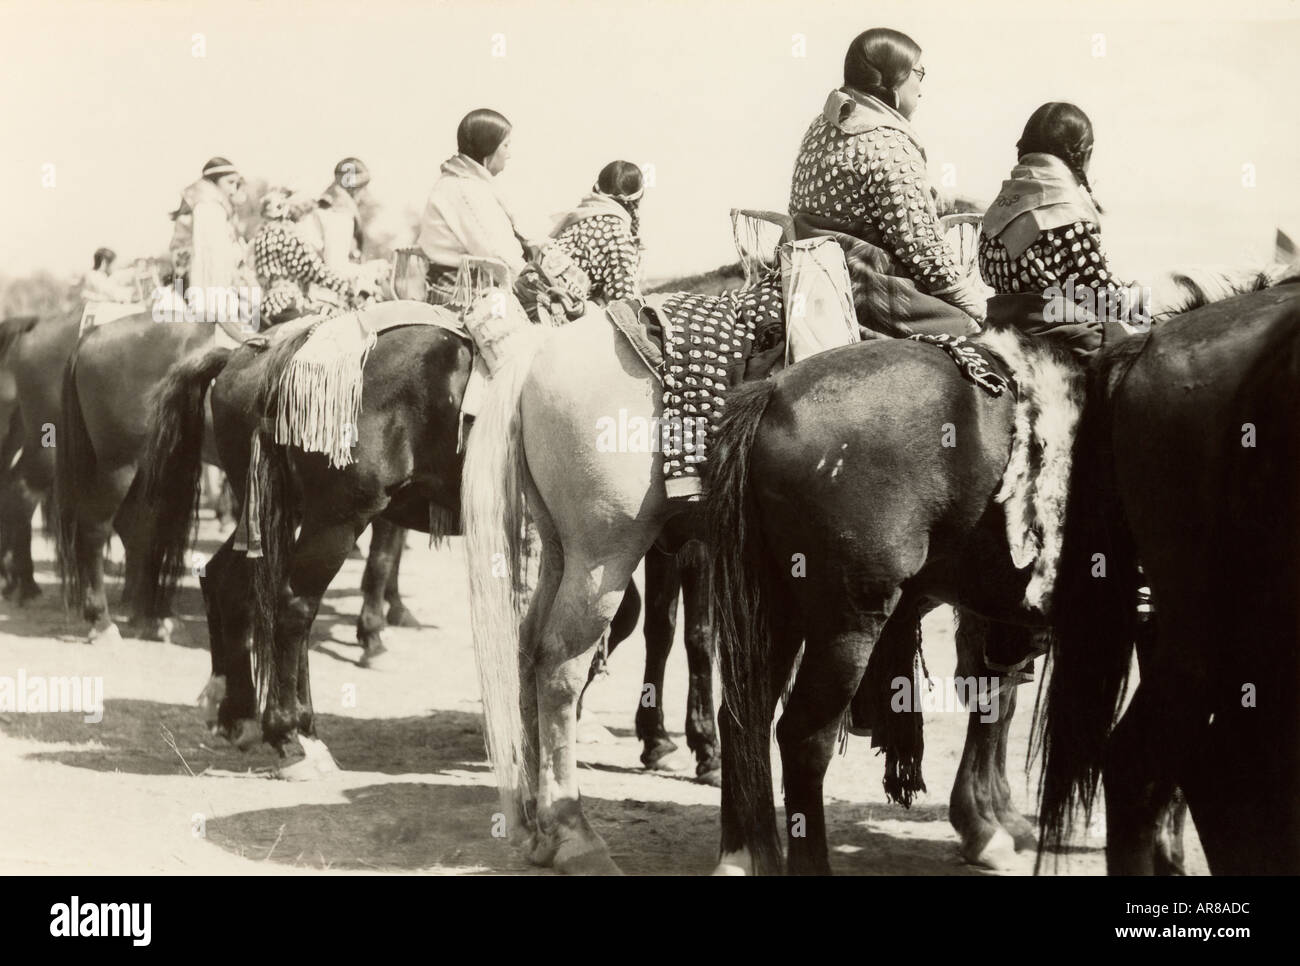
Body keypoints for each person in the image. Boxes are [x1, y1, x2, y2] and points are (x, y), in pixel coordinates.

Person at [788, 28, 986, 334]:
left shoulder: (825, 124)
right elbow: (921, 247)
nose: (921, 87)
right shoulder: (889, 143)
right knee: (974, 334)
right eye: (918, 73)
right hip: (864, 284)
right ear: (894, 76)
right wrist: (973, 303)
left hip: (812, 276)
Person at [979, 102, 1145, 360]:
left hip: (1000, 328)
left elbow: (989, 278)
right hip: (1059, 335)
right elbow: (1100, 296)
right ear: (1084, 154)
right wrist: (1140, 299)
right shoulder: (1065, 212)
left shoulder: (997, 210)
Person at [417, 109, 541, 306]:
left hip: (471, 285)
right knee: (524, 332)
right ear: (488, 148)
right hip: (463, 294)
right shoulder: (465, 188)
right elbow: (496, 253)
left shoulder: (465, 183)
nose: (509, 154)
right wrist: (537, 282)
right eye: (505, 145)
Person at [252, 188, 355, 328]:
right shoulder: (287, 234)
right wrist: (347, 288)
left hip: (268, 304)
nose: (302, 217)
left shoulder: (261, 235)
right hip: (287, 302)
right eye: (300, 211)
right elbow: (315, 271)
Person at [548, 161, 644, 303]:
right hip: (566, 312)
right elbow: (624, 305)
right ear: (635, 201)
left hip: (547, 299)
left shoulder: (576, 218)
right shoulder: (618, 236)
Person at [168, 157, 249, 322]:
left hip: (193, 280)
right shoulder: (208, 205)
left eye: (236, 184)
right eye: (230, 182)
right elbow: (210, 257)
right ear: (214, 181)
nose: (233, 190)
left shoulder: (208, 202)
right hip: (203, 284)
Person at [303, 157, 373, 272]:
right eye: (362, 189)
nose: (364, 195)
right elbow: (336, 268)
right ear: (354, 190)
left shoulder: (322, 208)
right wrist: (371, 270)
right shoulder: (339, 214)